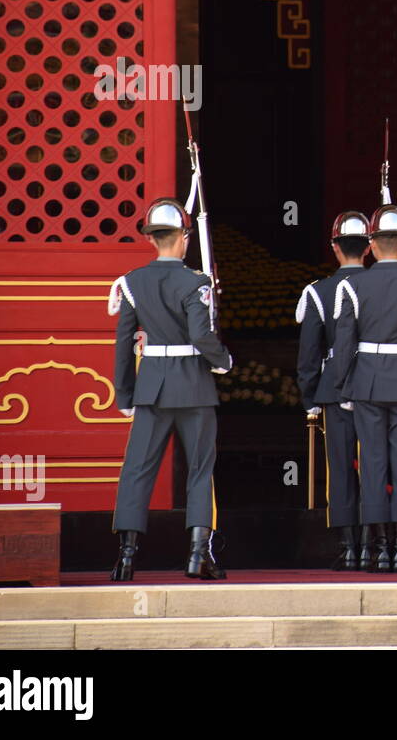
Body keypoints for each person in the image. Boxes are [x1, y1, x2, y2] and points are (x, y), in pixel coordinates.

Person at [107, 197, 233, 581]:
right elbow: (200, 334)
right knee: (199, 471)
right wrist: (222, 359)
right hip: (193, 384)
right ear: (182, 238)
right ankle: (198, 556)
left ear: (152, 239)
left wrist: (125, 395)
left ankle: (126, 556)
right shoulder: (196, 282)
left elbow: (124, 342)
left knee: (137, 471)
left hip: (152, 387)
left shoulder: (131, 282)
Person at [329, 205, 397, 572]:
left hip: (367, 381)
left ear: (372, 244)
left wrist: (344, 386)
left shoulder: (353, 285)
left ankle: (379, 548)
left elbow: (344, 343)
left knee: (373, 465)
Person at [295, 210, 370, 570]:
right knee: (375, 465)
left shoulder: (319, 291)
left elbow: (308, 354)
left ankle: (348, 546)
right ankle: (373, 543)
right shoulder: (382, 285)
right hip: (375, 385)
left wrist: (310, 397)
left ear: (335, 248)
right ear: (368, 248)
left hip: (333, 389)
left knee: (340, 468)